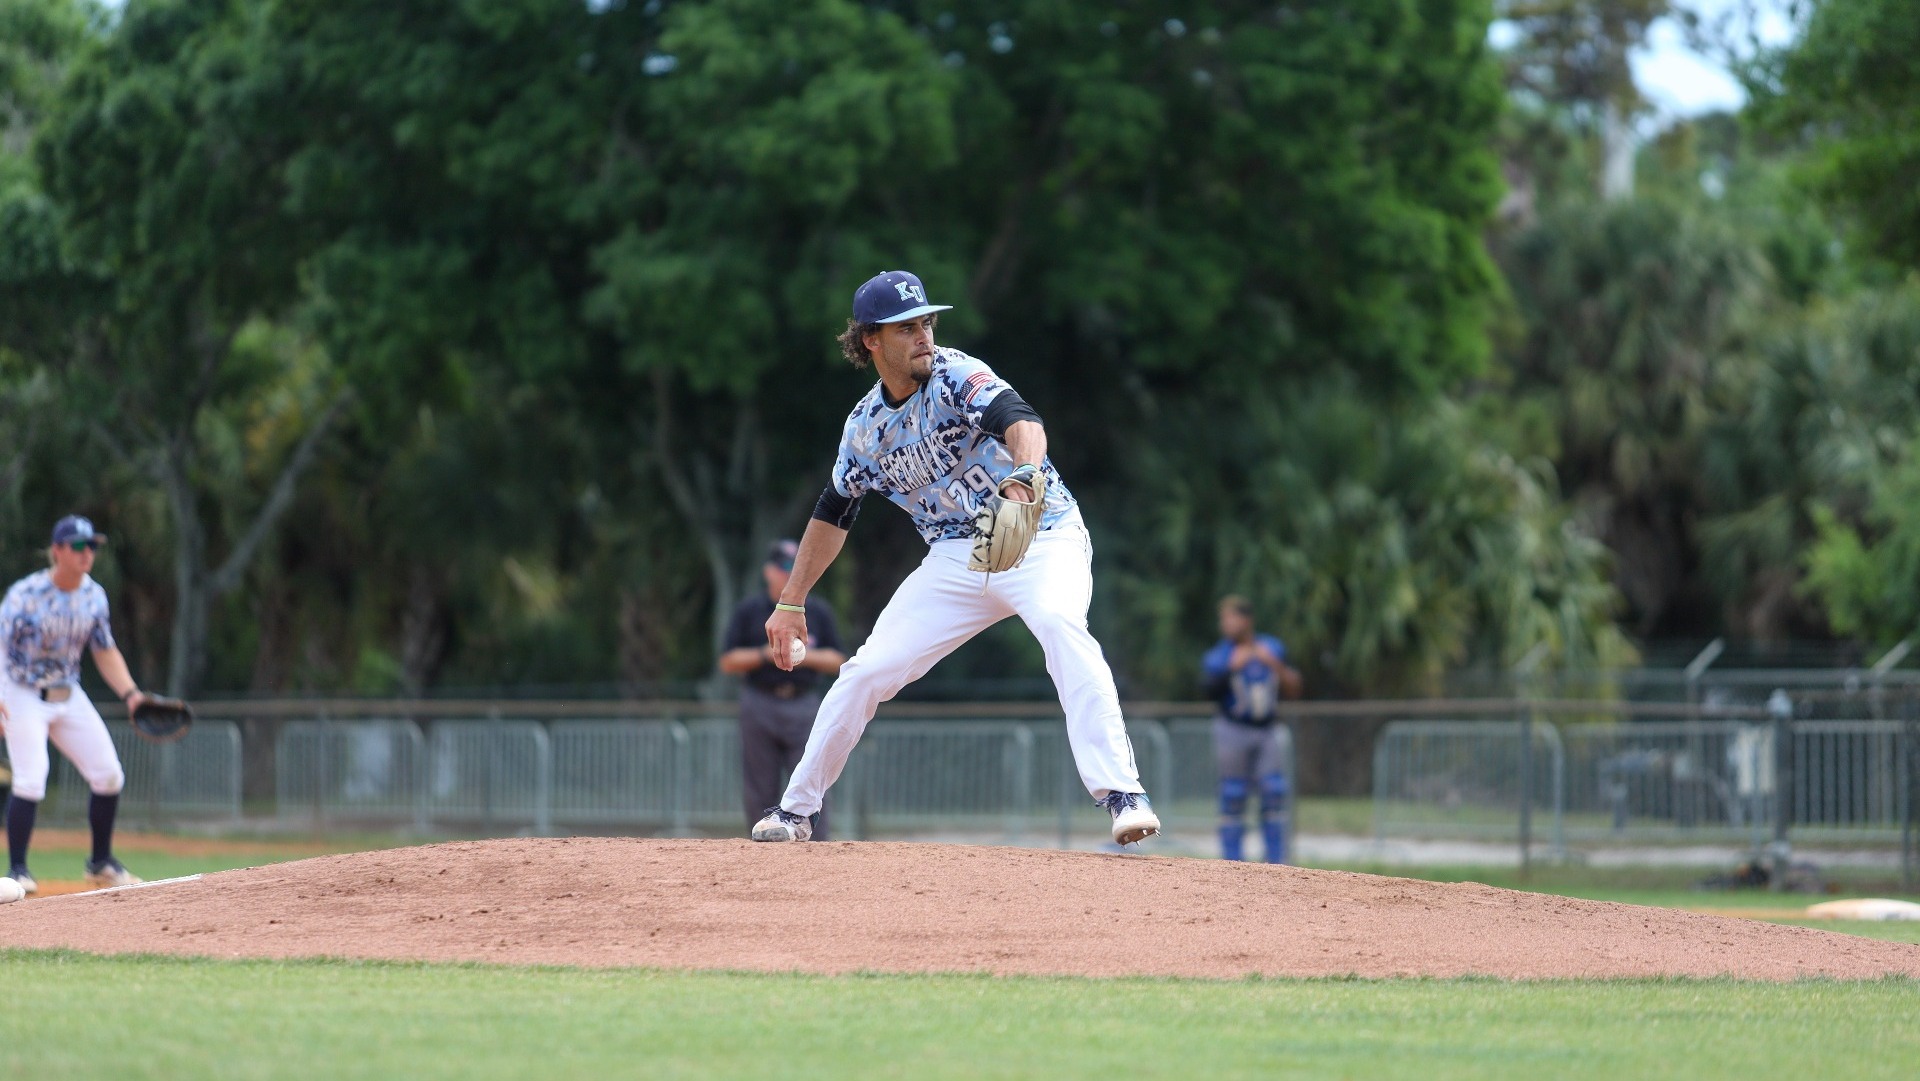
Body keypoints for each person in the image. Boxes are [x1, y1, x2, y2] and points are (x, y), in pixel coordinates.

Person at [751, 270, 1160, 846]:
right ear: (871, 340)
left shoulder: (957, 375)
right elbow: (834, 512)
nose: (924, 335)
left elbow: (1023, 423)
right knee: (867, 670)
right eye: (907, 327)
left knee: (1060, 625)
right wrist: (791, 601)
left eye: (927, 322)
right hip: (956, 556)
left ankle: (1123, 793)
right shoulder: (865, 431)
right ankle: (795, 811)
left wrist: (1023, 476)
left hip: (1041, 534)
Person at [2, 516, 150, 894]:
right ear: (58, 551)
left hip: (67, 691)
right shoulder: (25, 595)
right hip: (21, 690)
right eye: (80, 545)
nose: (88, 553)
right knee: (32, 777)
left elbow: (104, 650)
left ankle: (100, 863)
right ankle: (18, 870)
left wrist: (131, 694)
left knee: (109, 774)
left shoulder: (94, 596)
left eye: (93, 546)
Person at [717, 539, 847, 839]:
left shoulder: (816, 610)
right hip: (759, 702)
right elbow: (727, 661)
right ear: (768, 571)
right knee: (759, 785)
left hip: (803, 704)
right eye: (783, 567)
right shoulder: (750, 610)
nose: (789, 574)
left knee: (814, 777)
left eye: (794, 567)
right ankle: (763, 846)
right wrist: (766, 653)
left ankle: (816, 847)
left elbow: (838, 660)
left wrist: (802, 656)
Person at [1201, 595, 1302, 863]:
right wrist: (1231, 668)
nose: (1225, 624)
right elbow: (1208, 689)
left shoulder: (1272, 648)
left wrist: (1274, 665)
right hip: (1233, 730)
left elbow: (1294, 686)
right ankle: (1233, 863)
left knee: (1274, 791)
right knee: (1233, 794)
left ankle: (1277, 863)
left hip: (1268, 729)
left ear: (1245, 620)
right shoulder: (1220, 655)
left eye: (1230, 617)